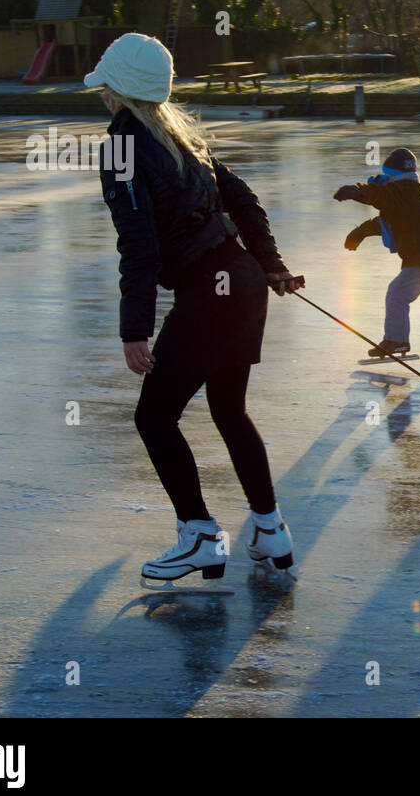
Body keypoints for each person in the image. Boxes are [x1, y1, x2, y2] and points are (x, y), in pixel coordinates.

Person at [85, 33, 302, 586]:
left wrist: (135, 329)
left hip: (213, 291)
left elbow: (138, 244)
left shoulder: (122, 145)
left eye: (105, 83)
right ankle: (269, 528)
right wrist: (269, 265)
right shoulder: (181, 136)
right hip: (242, 281)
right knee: (229, 410)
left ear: (117, 87)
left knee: (154, 416)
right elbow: (244, 200)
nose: (101, 93)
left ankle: (200, 536)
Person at [334, 148, 420, 358]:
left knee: (397, 294)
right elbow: (386, 221)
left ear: (393, 176)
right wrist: (359, 233)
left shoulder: (400, 189)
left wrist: (355, 191)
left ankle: (397, 340)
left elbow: (380, 195)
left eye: (386, 176)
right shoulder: (410, 192)